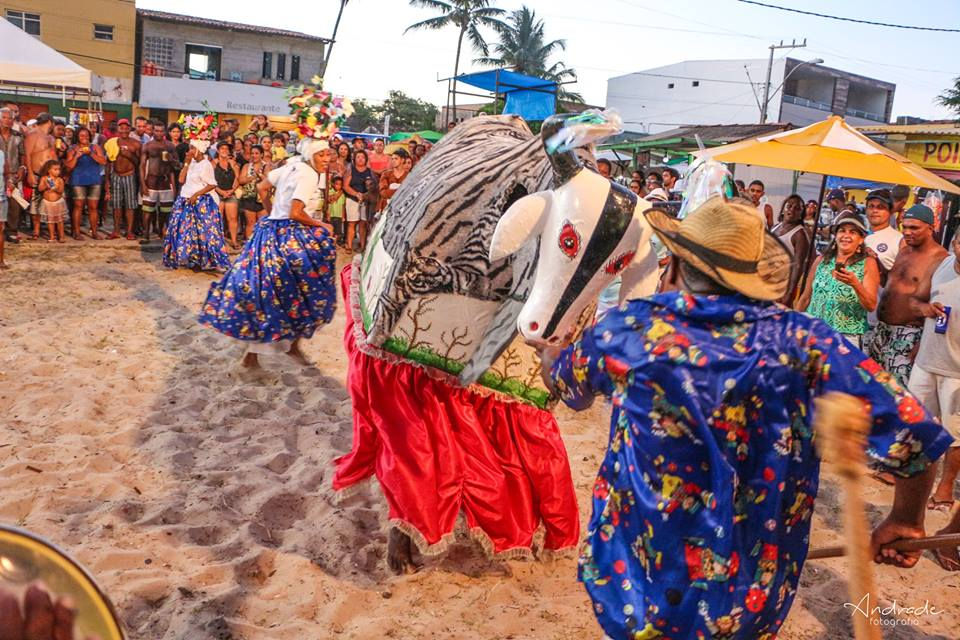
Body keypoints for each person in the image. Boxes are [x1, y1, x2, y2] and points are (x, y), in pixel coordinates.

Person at [539, 197, 953, 640]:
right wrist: (906, 519)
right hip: (749, 594)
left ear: (675, 268)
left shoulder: (629, 330)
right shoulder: (807, 344)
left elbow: (568, 390)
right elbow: (917, 440)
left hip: (636, 579)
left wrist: (552, 347)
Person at [199, 138, 337, 369]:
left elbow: (263, 187)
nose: (327, 159)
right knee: (302, 292)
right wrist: (322, 225)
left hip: (269, 232)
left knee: (269, 292)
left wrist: (271, 211)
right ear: (312, 155)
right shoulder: (309, 174)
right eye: (322, 155)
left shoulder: (291, 166)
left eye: (328, 154)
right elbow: (295, 212)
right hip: (292, 237)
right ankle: (276, 351)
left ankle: (274, 351)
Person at [866, 204, 948, 387]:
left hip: (908, 336)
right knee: (873, 389)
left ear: (930, 227)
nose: (908, 232)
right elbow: (892, 282)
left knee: (898, 394)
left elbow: (941, 307)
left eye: (914, 228)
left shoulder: (941, 258)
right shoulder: (904, 250)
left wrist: (922, 345)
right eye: (905, 227)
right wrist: (876, 263)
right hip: (881, 330)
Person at [908, 230, 960, 514]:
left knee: (956, 435)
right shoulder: (942, 265)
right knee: (918, 424)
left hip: (957, 372)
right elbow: (916, 302)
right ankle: (913, 481)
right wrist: (926, 308)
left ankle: (945, 489)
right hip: (926, 362)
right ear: (955, 243)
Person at [797, 211, 880, 348]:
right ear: (835, 236)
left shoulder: (868, 263)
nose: (846, 236)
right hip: (814, 332)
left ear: (861, 239)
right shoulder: (821, 261)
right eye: (842, 231)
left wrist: (855, 284)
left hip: (845, 338)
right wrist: (794, 324)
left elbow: (871, 305)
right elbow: (806, 297)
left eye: (853, 232)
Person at [162, 142, 230, 270]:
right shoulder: (191, 163)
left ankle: (207, 260)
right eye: (189, 148)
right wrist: (186, 164)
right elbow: (181, 180)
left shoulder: (206, 165)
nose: (189, 151)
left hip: (201, 201)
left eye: (192, 148)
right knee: (185, 229)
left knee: (204, 231)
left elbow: (212, 184)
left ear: (199, 149)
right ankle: (190, 257)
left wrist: (196, 195)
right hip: (186, 198)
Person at [64, 127, 107, 240]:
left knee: (93, 207)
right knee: (78, 206)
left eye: (87, 135)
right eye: (82, 136)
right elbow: (69, 167)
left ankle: (94, 232)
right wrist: (77, 156)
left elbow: (103, 161)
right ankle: (77, 232)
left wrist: (91, 154)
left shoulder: (95, 147)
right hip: (78, 180)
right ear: (77, 137)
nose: (85, 138)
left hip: (94, 179)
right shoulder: (72, 149)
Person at [140, 119, 178, 241]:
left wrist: (171, 159)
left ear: (165, 132)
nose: (159, 133)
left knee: (165, 211)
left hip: (165, 181)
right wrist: (143, 184)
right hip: (150, 181)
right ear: (153, 131)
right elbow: (141, 166)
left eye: (161, 131)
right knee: (147, 210)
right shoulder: (147, 146)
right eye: (156, 131)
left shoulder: (170, 146)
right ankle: (146, 235)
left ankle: (162, 231)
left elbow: (177, 166)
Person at [105, 118, 141, 240]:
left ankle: (129, 231)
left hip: (129, 175)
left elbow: (139, 163)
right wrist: (107, 181)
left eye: (126, 127)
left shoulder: (136, 143)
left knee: (130, 205)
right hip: (115, 175)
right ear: (118, 129)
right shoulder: (112, 143)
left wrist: (129, 155)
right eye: (121, 127)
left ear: (130, 129)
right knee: (116, 205)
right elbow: (109, 163)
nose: (124, 130)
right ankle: (116, 230)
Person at [770, 194, 811, 301]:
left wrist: (789, 292)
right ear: (784, 208)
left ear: (801, 214)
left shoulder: (799, 235)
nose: (792, 210)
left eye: (797, 208)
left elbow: (798, 266)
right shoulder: (775, 227)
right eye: (789, 206)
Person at [25, 113, 57, 240]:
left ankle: (51, 231)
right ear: (50, 122)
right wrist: (30, 173)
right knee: (36, 203)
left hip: (50, 174)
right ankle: (36, 230)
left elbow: (53, 155)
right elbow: (27, 155)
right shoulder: (32, 135)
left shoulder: (51, 138)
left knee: (51, 202)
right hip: (37, 172)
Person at [863, 188, 902, 272]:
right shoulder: (857, 235)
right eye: (871, 206)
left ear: (891, 211)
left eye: (880, 207)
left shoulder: (899, 240)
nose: (875, 210)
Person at [1, 106, 24, 244]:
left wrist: (22, 168)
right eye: (4, 117)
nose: (7, 120)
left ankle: (11, 231)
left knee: (14, 204)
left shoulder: (18, 136)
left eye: (10, 118)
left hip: (13, 174)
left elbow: (23, 154)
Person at [344, 148, 374, 252]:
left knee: (363, 223)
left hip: (365, 201)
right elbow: (346, 186)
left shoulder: (370, 171)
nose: (360, 159)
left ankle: (362, 245)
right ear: (354, 159)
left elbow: (373, 187)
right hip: (352, 199)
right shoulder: (350, 170)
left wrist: (365, 195)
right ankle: (349, 245)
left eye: (362, 157)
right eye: (358, 157)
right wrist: (356, 194)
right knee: (352, 223)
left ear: (366, 159)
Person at [212, 141, 241, 250]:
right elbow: (210, 179)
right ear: (218, 150)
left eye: (226, 149)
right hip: (217, 193)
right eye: (222, 148)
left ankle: (234, 240)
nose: (224, 151)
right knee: (218, 218)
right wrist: (220, 191)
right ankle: (218, 241)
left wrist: (231, 190)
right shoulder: (213, 163)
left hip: (230, 192)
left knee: (232, 218)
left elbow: (237, 178)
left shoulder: (232, 163)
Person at [238, 144, 268, 240]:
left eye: (256, 153)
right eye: (252, 153)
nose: (254, 155)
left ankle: (261, 245)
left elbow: (269, 180)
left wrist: (260, 175)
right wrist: (253, 177)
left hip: (262, 198)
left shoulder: (266, 166)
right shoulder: (247, 166)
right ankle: (249, 246)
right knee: (250, 223)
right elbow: (241, 180)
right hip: (249, 197)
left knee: (262, 223)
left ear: (261, 155)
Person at [37, 160, 67, 243]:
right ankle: (52, 236)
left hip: (58, 203)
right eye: (55, 169)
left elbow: (61, 191)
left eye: (59, 170)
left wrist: (56, 188)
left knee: (60, 221)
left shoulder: (60, 180)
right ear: (48, 170)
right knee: (50, 221)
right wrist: (46, 186)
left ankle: (61, 236)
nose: (58, 171)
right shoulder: (44, 179)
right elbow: (39, 189)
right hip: (47, 203)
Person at [377, 148, 410, 213]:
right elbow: (383, 193)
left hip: (403, 208)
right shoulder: (386, 174)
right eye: (392, 159)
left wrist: (392, 190)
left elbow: (410, 193)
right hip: (386, 208)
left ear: (402, 160)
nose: (393, 161)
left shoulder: (409, 176)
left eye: (396, 158)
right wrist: (401, 191)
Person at [326, 175, 346, 245]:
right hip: (331, 214)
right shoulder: (330, 191)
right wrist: (327, 214)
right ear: (333, 184)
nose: (338, 186)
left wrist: (343, 216)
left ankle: (335, 243)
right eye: (337, 184)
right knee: (330, 229)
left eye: (340, 185)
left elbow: (343, 206)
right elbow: (330, 201)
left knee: (338, 231)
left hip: (339, 215)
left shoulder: (343, 195)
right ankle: (330, 242)